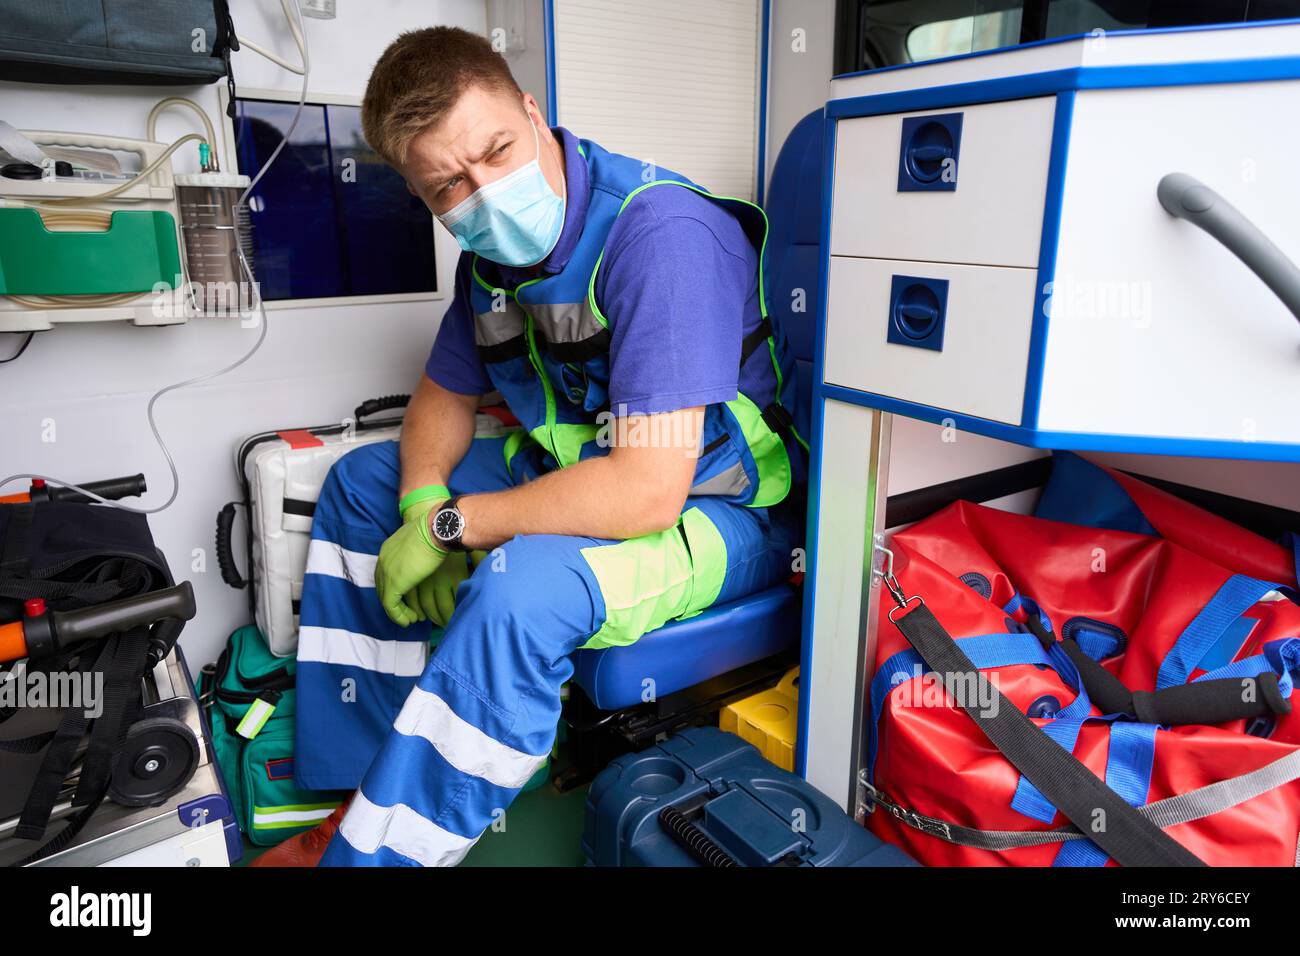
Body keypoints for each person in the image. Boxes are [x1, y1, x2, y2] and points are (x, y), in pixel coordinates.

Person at [252, 25, 806, 867]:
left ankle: (379, 858)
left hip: (719, 508)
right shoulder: (489, 260)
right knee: (365, 480)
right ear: (425, 199)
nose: (485, 193)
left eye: (497, 150)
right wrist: (418, 501)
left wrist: (451, 528)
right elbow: (442, 392)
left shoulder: (658, 237)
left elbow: (647, 493)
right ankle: (358, 790)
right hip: (583, 469)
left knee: (519, 591)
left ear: (534, 111)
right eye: (449, 188)